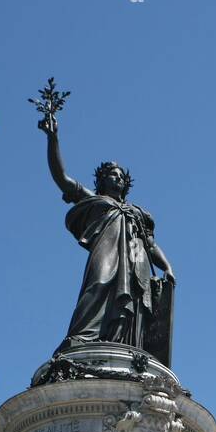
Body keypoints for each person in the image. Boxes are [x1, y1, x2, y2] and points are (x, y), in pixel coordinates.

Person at [39, 114, 176, 357]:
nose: (118, 178)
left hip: (137, 260)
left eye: (122, 177)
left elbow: (151, 244)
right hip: (108, 252)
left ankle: (126, 348)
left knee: (135, 304)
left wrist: (167, 266)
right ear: (102, 181)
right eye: (113, 175)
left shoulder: (138, 213)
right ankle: (82, 339)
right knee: (98, 284)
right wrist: (53, 139)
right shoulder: (95, 200)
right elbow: (63, 179)